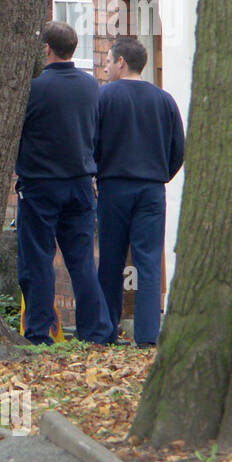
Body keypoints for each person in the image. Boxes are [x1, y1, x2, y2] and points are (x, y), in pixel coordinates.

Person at [14, 22, 113, 345]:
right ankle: (95, 330)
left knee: (38, 260)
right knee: (82, 260)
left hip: (40, 184)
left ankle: (40, 331)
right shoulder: (90, 86)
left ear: (45, 48)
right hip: (81, 183)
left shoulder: (33, 87)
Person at [95, 37, 186, 346]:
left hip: (113, 186)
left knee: (110, 260)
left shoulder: (104, 97)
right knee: (148, 262)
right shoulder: (164, 100)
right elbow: (178, 150)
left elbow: (90, 143)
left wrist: (98, 172)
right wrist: (161, 175)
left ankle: (106, 330)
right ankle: (148, 336)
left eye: (108, 61)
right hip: (151, 190)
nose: (105, 67)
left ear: (121, 62)